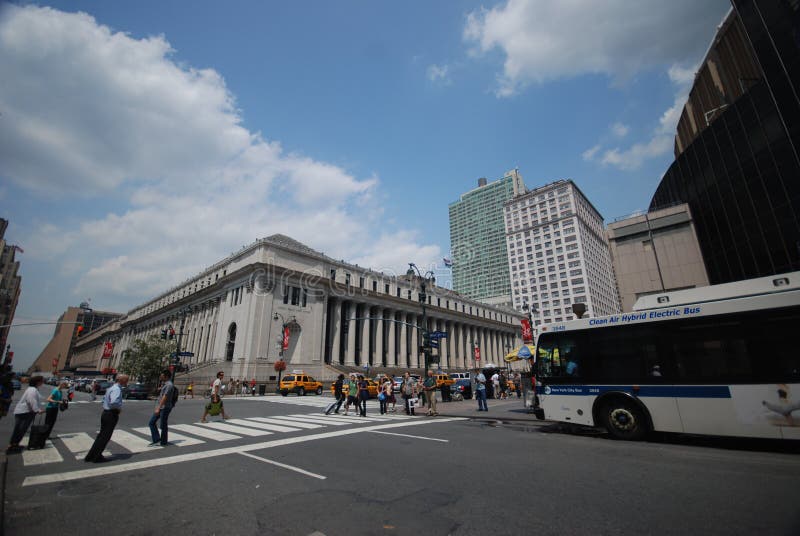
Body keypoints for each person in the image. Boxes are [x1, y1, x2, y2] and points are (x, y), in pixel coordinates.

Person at [84, 374, 129, 462]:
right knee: (105, 436)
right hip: (111, 414)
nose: (127, 382)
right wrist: (118, 409)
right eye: (126, 380)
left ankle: (91, 455)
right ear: (121, 380)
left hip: (106, 413)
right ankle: (96, 457)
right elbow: (114, 402)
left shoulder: (111, 388)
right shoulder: (116, 389)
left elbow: (104, 399)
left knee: (101, 436)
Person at [7, 375, 45, 453]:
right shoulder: (32, 390)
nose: (43, 382)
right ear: (38, 382)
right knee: (20, 429)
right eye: (42, 381)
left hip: (25, 412)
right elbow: (31, 400)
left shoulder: (33, 389)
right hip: (24, 412)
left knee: (20, 429)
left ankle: (15, 444)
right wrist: (37, 410)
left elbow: (35, 399)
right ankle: (12, 446)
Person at [148, 369, 176, 447]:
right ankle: (158, 439)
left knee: (162, 424)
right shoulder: (165, 384)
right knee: (152, 422)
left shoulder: (169, 385)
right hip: (161, 407)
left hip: (164, 407)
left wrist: (158, 407)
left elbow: (165, 396)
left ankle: (163, 441)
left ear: (166, 376)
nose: (160, 376)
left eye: (162, 375)